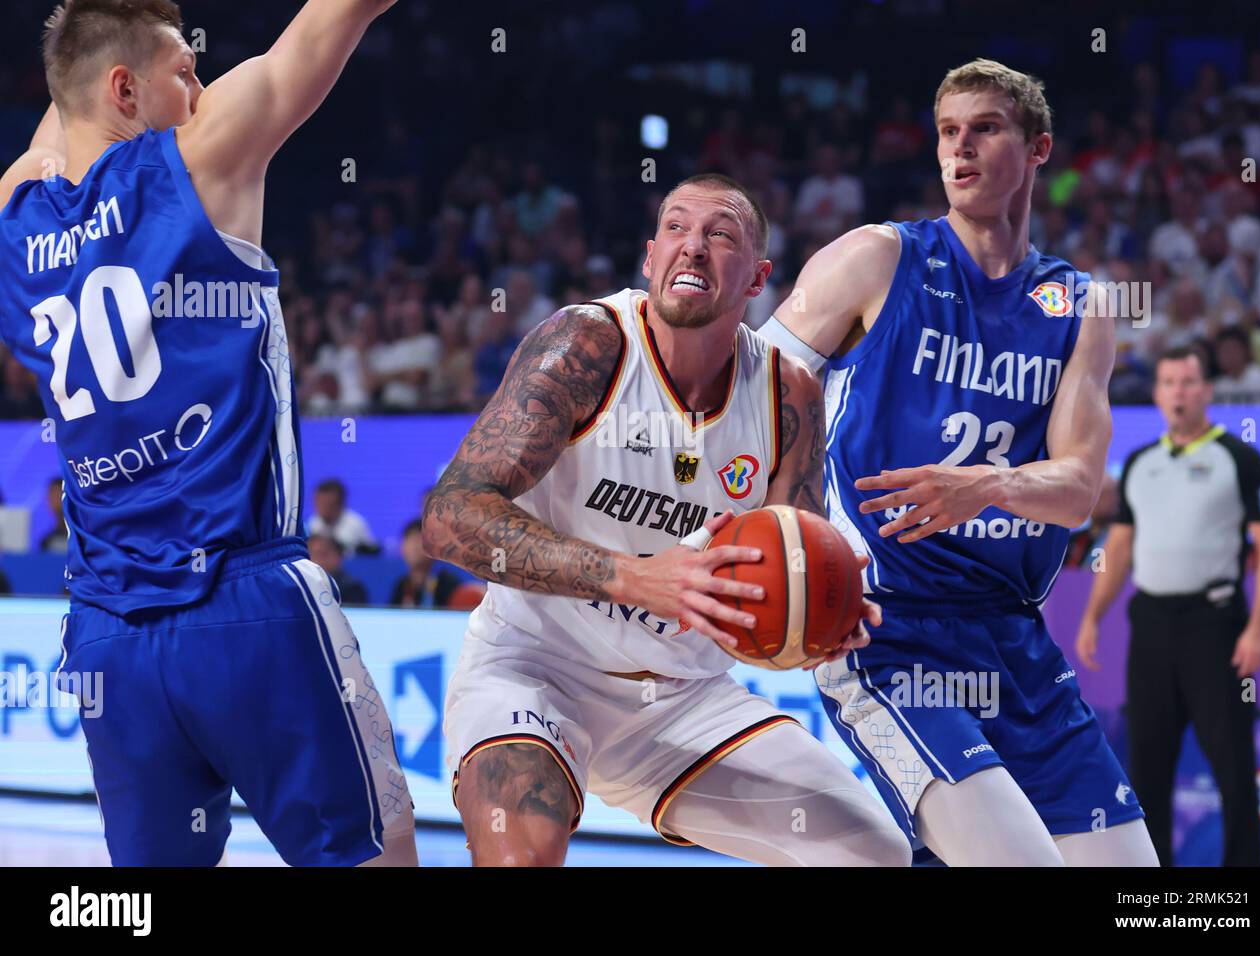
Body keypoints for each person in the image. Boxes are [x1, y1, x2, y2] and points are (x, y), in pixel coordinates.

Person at [0, 0, 414, 866]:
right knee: (378, 853)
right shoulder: (201, 158)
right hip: (246, 601)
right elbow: (332, 19)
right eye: (182, 71)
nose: (198, 86)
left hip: (106, 632)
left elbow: (61, 104)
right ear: (125, 90)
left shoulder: (16, 219)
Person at [422, 174, 911, 868]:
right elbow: (448, 517)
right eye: (676, 229)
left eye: (721, 235)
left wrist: (827, 619)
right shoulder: (585, 347)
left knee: (874, 854)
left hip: (684, 700)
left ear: (757, 278)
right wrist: (633, 578)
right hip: (534, 669)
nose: (694, 247)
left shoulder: (785, 396)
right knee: (519, 860)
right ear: (651, 258)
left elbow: (794, 567)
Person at [759, 59, 1159, 866]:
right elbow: (756, 394)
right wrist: (777, 526)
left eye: (985, 128)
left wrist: (986, 486)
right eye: (948, 132)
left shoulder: (1081, 307)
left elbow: (1080, 492)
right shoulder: (876, 258)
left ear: (1038, 147)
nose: (960, 148)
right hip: (882, 630)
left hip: (1014, 638)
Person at [1075, 348, 1260, 866]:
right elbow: (1119, 548)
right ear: (1157, 393)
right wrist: (1093, 615)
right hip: (1151, 626)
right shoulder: (1142, 463)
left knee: (1235, 769)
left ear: (1206, 391)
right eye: (1168, 382)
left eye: (1188, 382)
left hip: (1216, 625)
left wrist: (1258, 630)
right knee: (1147, 771)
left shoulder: (1241, 458)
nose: (1178, 392)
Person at [389, 518, 483, 609]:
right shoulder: (401, 585)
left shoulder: (447, 583)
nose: (415, 547)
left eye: (419, 540)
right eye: (410, 540)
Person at [308, 477, 378, 555]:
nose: (322, 508)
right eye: (319, 503)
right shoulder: (312, 523)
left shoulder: (355, 523)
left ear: (340, 504)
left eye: (328, 504)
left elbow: (371, 552)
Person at [307, 533, 369, 606]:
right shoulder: (298, 585)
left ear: (338, 557)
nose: (316, 560)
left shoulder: (351, 588)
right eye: (311, 555)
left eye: (322, 554)